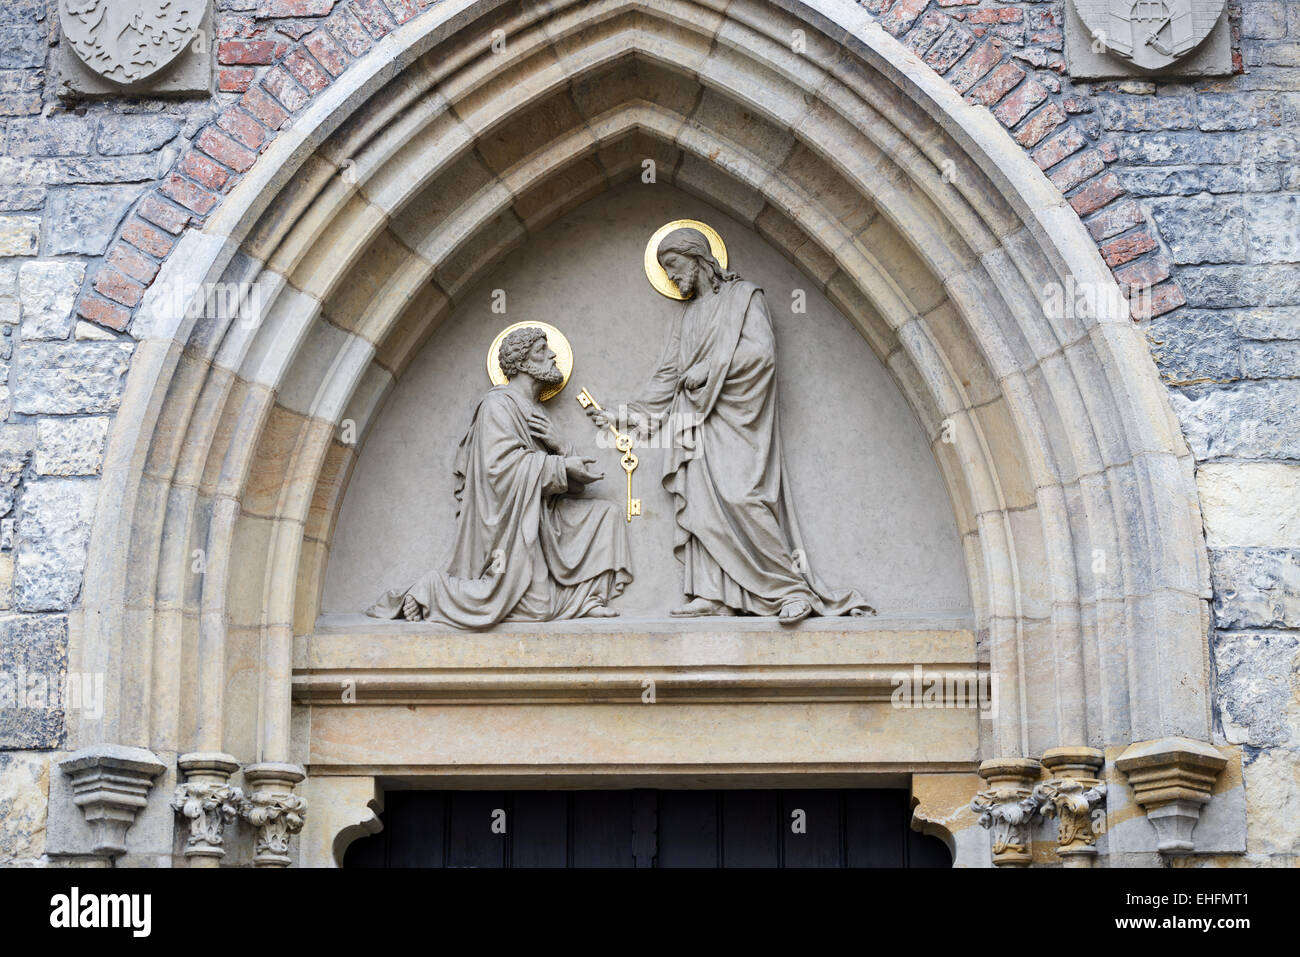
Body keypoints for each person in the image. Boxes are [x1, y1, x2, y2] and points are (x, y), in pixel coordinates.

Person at [587, 227, 872, 623]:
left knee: (742, 499)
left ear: (698, 258)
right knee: (701, 510)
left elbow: (761, 355)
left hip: (737, 420)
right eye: (666, 270)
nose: (671, 276)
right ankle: (712, 592)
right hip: (695, 427)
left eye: (674, 265)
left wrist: (710, 369)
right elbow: (669, 375)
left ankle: (790, 589)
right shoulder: (687, 317)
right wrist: (625, 414)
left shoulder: (744, 297)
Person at [367, 325, 632, 627]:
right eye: (541, 351)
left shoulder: (534, 410)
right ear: (521, 363)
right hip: (511, 519)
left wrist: (562, 448)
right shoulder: (497, 405)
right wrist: (559, 467)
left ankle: (589, 599)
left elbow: (560, 479)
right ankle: (432, 590)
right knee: (538, 609)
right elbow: (499, 470)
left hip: (543, 513)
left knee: (606, 514)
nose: (552, 355)